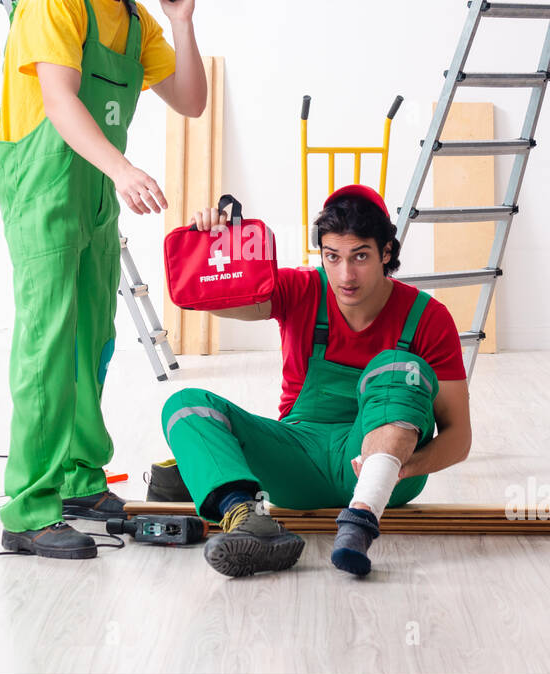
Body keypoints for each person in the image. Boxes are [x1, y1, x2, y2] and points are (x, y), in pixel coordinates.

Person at [0, 0, 207, 559]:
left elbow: (191, 99)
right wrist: (124, 169)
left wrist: (184, 19)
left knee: (90, 339)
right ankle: (28, 509)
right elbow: (58, 99)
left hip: (97, 199)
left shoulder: (138, 24)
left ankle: (77, 480)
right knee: (47, 342)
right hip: (46, 190)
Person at [161, 185, 472, 577]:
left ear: (387, 253)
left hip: (388, 471)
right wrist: (213, 243)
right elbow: (202, 299)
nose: (346, 275)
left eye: (360, 256)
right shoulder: (301, 290)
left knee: (398, 366)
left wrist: (398, 468)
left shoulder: (428, 318)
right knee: (185, 405)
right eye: (333, 257)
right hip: (298, 460)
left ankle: (360, 520)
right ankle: (247, 519)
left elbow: (458, 438)